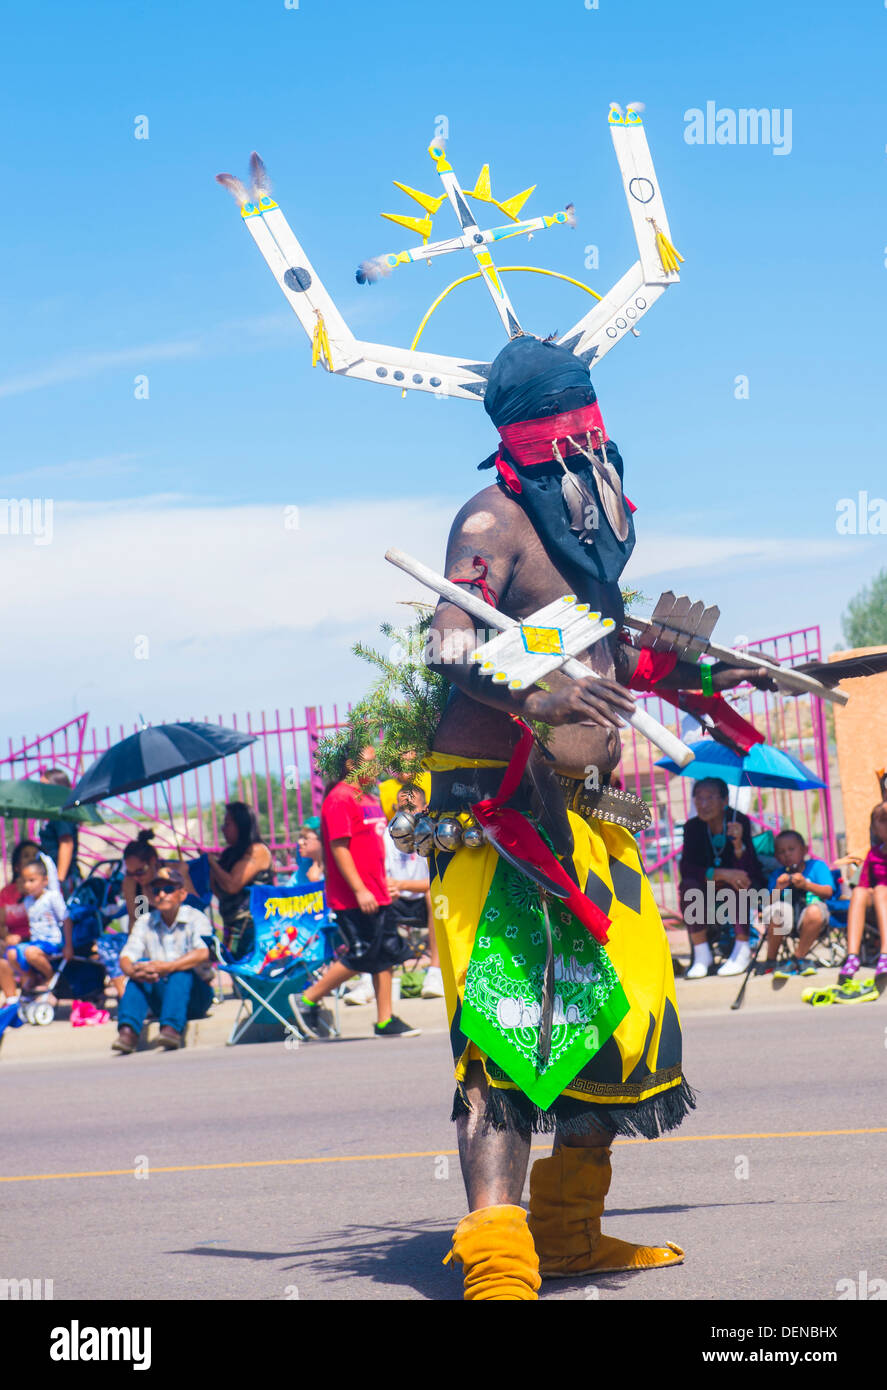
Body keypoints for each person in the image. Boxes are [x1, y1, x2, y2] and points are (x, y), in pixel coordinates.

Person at [420, 335, 768, 1298]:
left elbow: (614, 655)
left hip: (588, 813)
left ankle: (567, 1231)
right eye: (566, 435)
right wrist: (529, 699)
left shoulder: (590, 532)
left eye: (593, 434)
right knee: (511, 1029)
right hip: (496, 811)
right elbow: (446, 650)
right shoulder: (490, 522)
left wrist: (707, 673)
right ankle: (497, 1264)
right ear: (531, 436)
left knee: (622, 1022)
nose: (586, 454)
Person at [290, 740, 420, 1039]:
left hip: (378, 891)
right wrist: (360, 890)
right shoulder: (340, 798)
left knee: (385, 952)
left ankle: (385, 1020)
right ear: (351, 764)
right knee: (364, 952)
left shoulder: (368, 798)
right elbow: (339, 847)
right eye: (371, 760)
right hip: (354, 896)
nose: (377, 767)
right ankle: (308, 996)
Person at [113, 869, 215, 1053]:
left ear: (182, 894)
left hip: (196, 996)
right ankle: (127, 1033)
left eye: (168, 889)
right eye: (156, 891)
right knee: (139, 974)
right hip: (162, 994)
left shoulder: (196, 918)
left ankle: (171, 1030)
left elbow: (204, 952)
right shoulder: (145, 921)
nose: (161, 895)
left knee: (181, 971)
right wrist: (134, 971)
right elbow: (126, 955)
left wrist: (169, 967)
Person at [679, 778, 765, 978]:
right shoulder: (692, 827)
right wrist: (719, 874)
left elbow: (749, 869)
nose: (703, 804)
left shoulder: (739, 821)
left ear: (725, 800)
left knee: (738, 883)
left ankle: (742, 949)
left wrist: (738, 846)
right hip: (707, 887)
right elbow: (688, 868)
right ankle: (702, 955)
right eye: (698, 798)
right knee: (688, 887)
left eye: (709, 798)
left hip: (740, 886)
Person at [384, 784, 443, 999]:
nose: (405, 815)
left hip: (424, 902)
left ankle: (435, 973)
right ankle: (374, 974)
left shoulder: (432, 833)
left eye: (411, 808)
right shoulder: (389, 834)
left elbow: (433, 881)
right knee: (376, 897)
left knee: (434, 896)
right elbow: (384, 878)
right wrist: (393, 887)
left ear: (425, 808)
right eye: (400, 809)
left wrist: (399, 885)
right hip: (397, 900)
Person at [760, 829, 833, 976]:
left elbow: (828, 892)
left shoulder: (817, 866)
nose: (787, 854)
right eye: (781, 851)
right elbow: (767, 904)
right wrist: (778, 888)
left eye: (791, 849)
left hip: (812, 921)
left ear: (805, 850)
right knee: (777, 911)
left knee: (815, 911)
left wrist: (806, 885)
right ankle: (771, 960)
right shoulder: (777, 875)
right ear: (776, 857)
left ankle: (797, 958)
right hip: (786, 922)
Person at [207, 802, 275, 957]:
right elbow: (221, 892)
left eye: (227, 824)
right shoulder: (230, 853)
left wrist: (212, 863)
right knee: (234, 968)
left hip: (253, 928)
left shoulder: (257, 851)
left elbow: (232, 885)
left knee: (250, 973)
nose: (223, 829)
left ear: (241, 825)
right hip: (233, 926)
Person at [838, 800, 887, 983]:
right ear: (874, 829)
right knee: (860, 892)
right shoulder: (874, 854)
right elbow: (864, 885)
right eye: (883, 821)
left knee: (881, 889)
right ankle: (853, 956)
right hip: (879, 905)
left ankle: (885, 953)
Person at [5, 858, 70, 992]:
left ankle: (50, 976)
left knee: (30, 953)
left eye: (31, 880)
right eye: (24, 881)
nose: (27, 885)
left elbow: (66, 919)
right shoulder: (28, 901)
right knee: (11, 953)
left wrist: (68, 945)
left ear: (45, 880)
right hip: (36, 943)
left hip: (53, 943)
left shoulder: (52, 897)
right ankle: (32, 977)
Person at [38, 768, 80, 894]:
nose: (40, 790)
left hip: (63, 878)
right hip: (52, 875)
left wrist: (59, 881)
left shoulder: (61, 812)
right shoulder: (52, 812)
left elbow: (66, 844)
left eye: (44, 786)